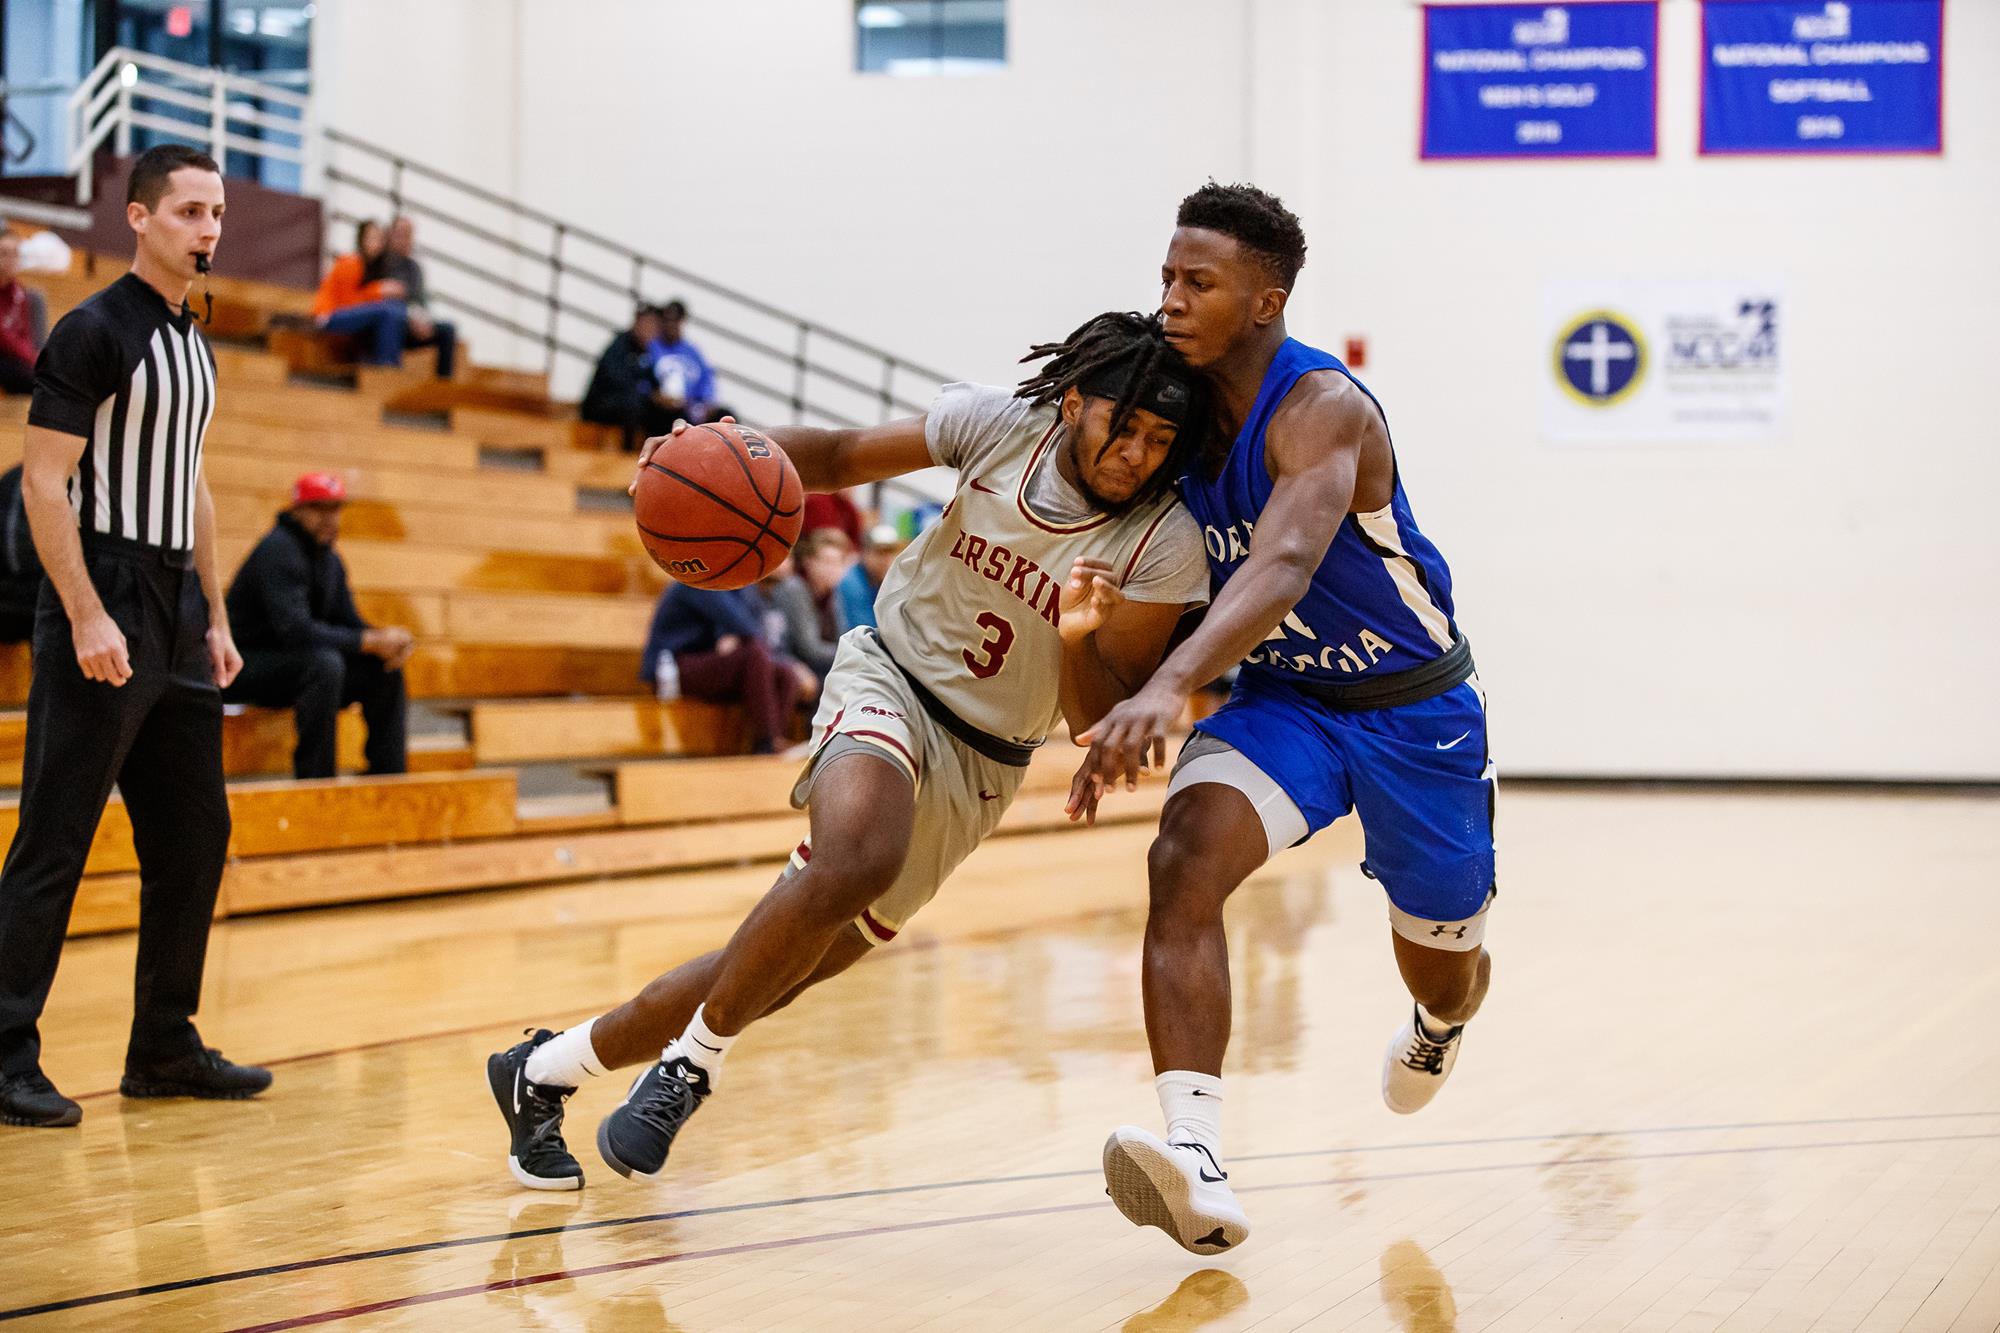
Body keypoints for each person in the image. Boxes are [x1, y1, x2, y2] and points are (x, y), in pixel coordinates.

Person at [485, 310, 1214, 1191]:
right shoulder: (996, 424)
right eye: (1122, 425)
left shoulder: (1163, 542)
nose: (1137, 452)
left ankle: (542, 1071)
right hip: (890, 675)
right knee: (857, 856)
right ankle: (689, 1070)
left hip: (986, 762)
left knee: (771, 971)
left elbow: (1096, 718)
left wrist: (1074, 637)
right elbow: (830, 455)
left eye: (1159, 438)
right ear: (1071, 404)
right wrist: (717, 446)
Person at [1073, 184, 1495, 1255]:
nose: (1169, 298)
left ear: (1263, 302)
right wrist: (1103, 675)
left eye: (1196, 282)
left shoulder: (1321, 409)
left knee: (1443, 967)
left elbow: (1285, 559)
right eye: (1166, 276)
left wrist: (1170, 685)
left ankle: (1440, 1023)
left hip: (1414, 710)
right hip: (1285, 704)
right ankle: (1197, 1156)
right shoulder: (1168, 411)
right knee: (1181, 857)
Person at [0, 145, 271, 1129]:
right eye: (191, 211)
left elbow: (191, 482)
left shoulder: (191, 341)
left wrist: (217, 610)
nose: (208, 230)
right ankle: (3, 1053)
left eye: (218, 213)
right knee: (56, 837)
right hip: (102, 589)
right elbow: (41, 483)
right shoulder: (92, 330)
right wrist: (83, 611)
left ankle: (163, 1045)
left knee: (195, 832)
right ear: (141, 219)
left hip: (175, 608)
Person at [223, 473, 413, 780]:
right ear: (297, 510)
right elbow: (295, 631)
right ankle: (316, 781)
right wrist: (368, 640)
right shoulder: (277, 550)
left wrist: (386, 641)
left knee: (383, 670)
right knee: (324, 664)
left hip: (294, 667)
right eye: (319, 509)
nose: (330, 518)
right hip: (243, 666)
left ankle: (388, 778)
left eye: (335, 509)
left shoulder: (330, 560)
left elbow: (349, 622)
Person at [641, 574, 811, 755]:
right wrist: (736, 635)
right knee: (754, 653)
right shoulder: (698, 580)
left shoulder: (742, 585)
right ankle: (767, 742)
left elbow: (757, 630)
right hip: (672, 668)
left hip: (707, 662)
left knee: (785, 672)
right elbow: (743, 624)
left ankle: (773, 741)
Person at [312, 220, 408, 367]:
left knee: (394, 309)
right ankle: (387, 366)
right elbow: (346, 303)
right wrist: (379, 290)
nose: (376, 244)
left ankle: (388, 365)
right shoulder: (350, 263)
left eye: (380, 239)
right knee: (387, 311)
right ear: (361, 240)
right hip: (328, 316)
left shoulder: (377, 267)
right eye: (371, 238)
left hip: (348, 318)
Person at [581, 305, 675, 452]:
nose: (650, 329)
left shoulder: (646, 352)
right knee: (633, 404)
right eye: (647, 323)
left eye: (655, 325)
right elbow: (615, 380)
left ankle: (661, 455)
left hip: (630, 403)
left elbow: (653, 382)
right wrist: (649, 395)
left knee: (665, 411)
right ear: (637, 323)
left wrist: (663, 398)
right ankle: (628, 455)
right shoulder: (619, 346)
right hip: (602, 405)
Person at [769, 527, 852, 685]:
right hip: (788, 662)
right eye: (827, 562)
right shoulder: (794, 588)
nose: (833, 569)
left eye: (838, 562)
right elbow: (809, 649)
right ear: (808, 562)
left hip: (817, 665)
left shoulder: (832, 594)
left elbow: (843, 637)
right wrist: (855, 656)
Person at [379, 216, 458, 379]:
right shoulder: (380, 264)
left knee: (447, 329)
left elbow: (421, 302)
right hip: (391, 325)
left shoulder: (414, 268)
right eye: (401, 234)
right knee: (393, 319)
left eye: (409, 235)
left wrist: (423, 320)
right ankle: (388, 378)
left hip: (413, 325)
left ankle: (442, 387)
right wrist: (409, 317)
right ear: (390, 235)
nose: (406, 240)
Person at [647, 300, 724, 424]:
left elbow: (707, 381)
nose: (671, 324)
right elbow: (642, 380)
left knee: (724, 415)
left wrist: (707, 403)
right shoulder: (651, 347)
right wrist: (655, 396)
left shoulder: (692, 351)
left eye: (675, 320)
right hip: (661, 408)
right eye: (667, 320)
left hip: (689, 406)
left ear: (682, 322)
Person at [0, 233, 50, 395]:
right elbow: (4, 338)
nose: (10, 259)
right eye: (4, 253)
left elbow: (26, 334)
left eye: (15, 254)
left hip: (13, 359)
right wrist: (33, 359)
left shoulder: (20, 292)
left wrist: (35, 359)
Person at [838, 522, 905, 630]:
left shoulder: (889, 580)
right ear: (864, 553)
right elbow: (863, 630)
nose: (886, 560)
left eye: (891, 552)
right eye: (880, 553)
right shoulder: (851, 583)